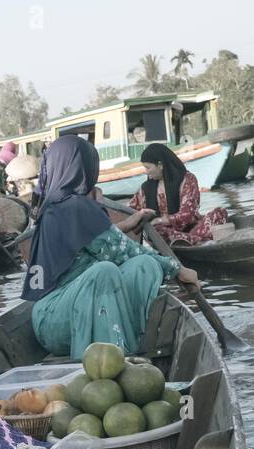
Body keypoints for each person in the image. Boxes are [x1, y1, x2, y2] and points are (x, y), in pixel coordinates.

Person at [21, 137, 198, 361]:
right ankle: (110, 359)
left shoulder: (58, 204)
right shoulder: (72, 205)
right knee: (104, 272)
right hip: (53, 320)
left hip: (69, 309)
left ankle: (125, 340)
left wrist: (126, 224)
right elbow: (120, 251)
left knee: (143, 265)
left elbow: (98, 240)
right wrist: (178, 269)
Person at [124, 143, 229, 245]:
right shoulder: (144, 189)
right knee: (155, 230)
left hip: (194, 228)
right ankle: (196, 241)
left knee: (220, 212)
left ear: (160, 165)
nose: (146, 172)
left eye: (148, 167)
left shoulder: (187, 180)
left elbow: (187, 215)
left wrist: (160, 220)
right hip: (167, 233)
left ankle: (189, 240)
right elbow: (128, 211)